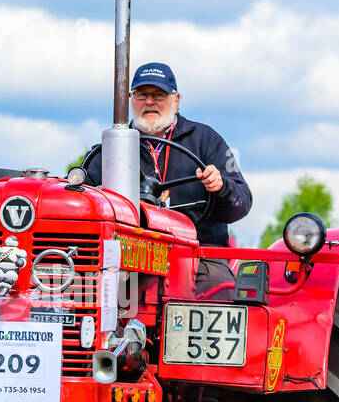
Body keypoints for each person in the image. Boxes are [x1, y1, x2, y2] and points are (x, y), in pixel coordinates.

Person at [84, 61, 252, 294]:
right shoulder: (109, 149)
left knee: (219, 293)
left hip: (198, 253)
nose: (150, 102)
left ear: (176, 99)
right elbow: (82, 198)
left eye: (159, 95)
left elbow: (242, 203)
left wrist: (221, 187)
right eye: (142, 95)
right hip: (127, 257)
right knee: (83, 288)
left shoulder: (205, 140)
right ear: (130, 99)